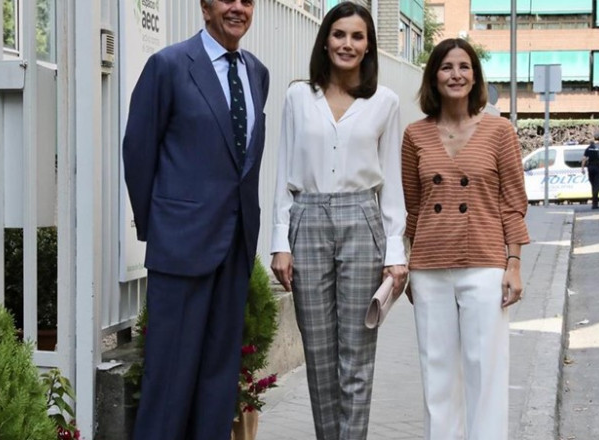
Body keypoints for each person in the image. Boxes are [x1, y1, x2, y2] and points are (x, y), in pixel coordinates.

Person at [122, 0, 269, 438]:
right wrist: (160, 229)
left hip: (235, 247)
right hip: (180, 248)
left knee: (218, 384)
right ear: (205, 7)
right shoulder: (168, 65)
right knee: (168, 382)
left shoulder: (256, 72)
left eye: (247, 1)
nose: (238, 8)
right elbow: (138, 152)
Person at [269, 2, 408, 439]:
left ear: (368, 46)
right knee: (320, 356)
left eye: (357, 36)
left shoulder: (385, 102)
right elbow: (282, 175)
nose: (347, 44)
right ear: (325, 40)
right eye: (339, 34)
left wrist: (395, 250)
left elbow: (392, 187)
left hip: (361, 220)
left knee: (357, 355)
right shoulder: (298, 96)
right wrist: (280, 242)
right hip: (307, 218)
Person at [401, 38, 530, 440]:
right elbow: (413, 208)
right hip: (430, 269)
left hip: (485, 265)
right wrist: (408, 264)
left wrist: (514, 265)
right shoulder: (415, 135)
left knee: (486, 373)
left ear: (475, 76)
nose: (455, 75)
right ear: (433, 77)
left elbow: (513, 203)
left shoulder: (499, 131)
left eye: (464, 67)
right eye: (446, 67)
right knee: (437, 376)